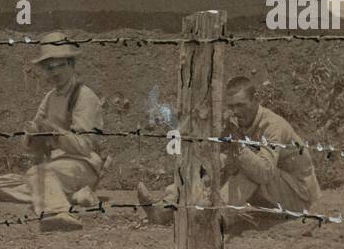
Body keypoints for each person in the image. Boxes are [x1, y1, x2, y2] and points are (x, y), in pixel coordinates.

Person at [137, 76, 320, 229]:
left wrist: (237, 147)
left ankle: (215, 217)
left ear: (256, 100)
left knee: (249, 169)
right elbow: (224, 158)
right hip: (272, 193)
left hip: (298, 197)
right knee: (217, 163)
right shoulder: (237, 122)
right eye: (231, 106)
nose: (236, 112)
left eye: (241, 105)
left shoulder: (273, 126)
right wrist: (209, 164)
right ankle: (166, 207)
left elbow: (265, 173)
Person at [0, 32, 105, 233]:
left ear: (71, 65)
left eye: (60, 65)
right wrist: (32, 135)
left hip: (82, 165)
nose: (54, 73)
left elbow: (84, 146)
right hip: (56, 167)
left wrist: (53, 132)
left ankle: (57, 212)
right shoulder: (50, 97)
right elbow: (29, 144)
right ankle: (73, 196)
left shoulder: (84, 96)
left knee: (39, 174)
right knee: (1, 184)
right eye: (48, 68)